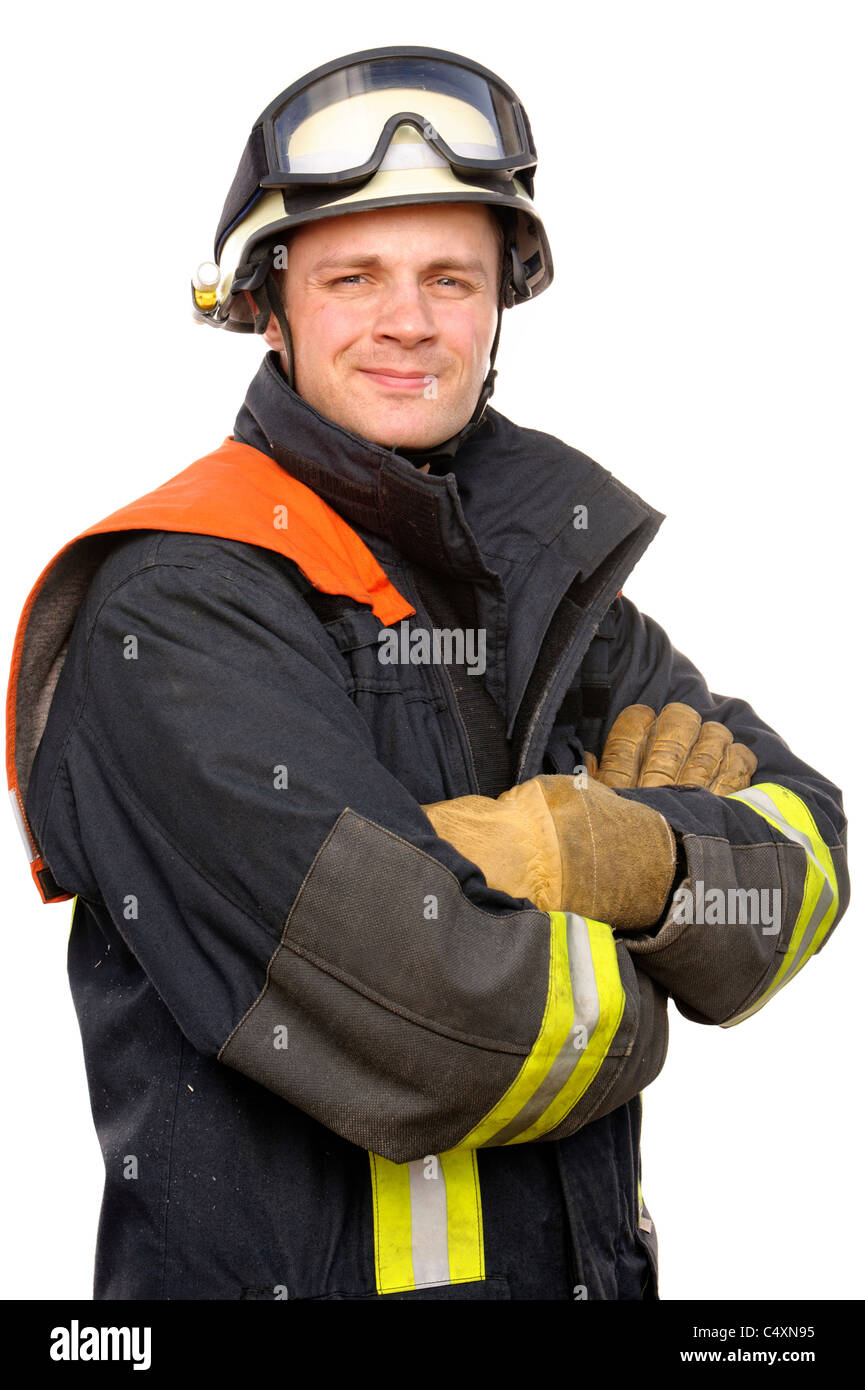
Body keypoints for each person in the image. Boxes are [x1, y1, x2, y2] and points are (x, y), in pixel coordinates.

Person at [7, 46, 848, 1301]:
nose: (411, 321)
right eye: (356, 276)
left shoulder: (532, 570)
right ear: (266, 305)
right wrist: (659, 932)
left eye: (450, 277)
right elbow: (444, 1027)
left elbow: (808, 854)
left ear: (498, 305)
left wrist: (621, 858)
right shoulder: (174, 612)